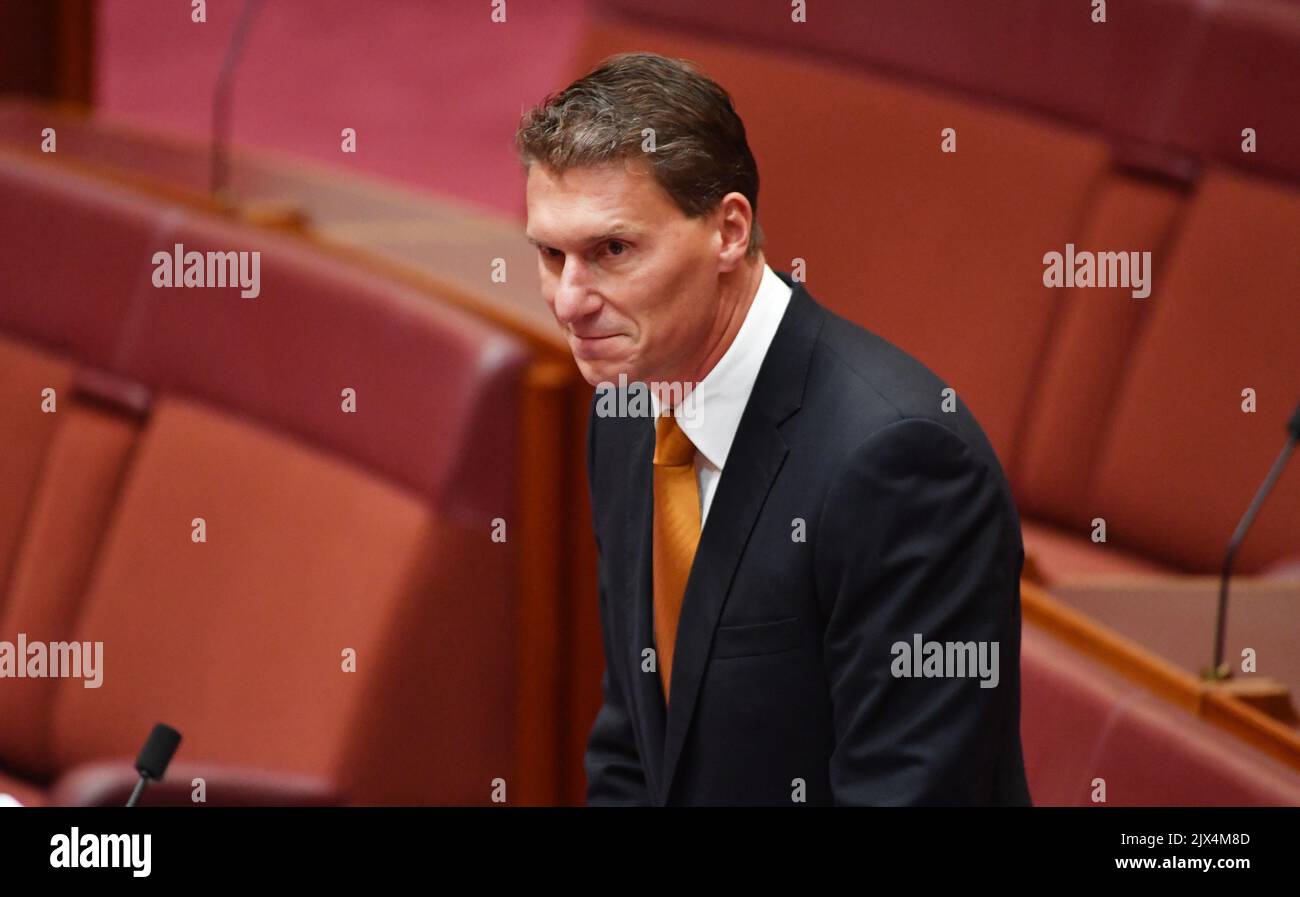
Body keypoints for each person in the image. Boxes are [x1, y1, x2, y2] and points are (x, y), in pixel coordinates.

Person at [516, 52, 1032, 806]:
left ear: (729, 230)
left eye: (612, 251)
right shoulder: (625, 412)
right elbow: (636, 744)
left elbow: (906, 794)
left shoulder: (903, 463)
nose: (568, 301)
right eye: (551, 254)